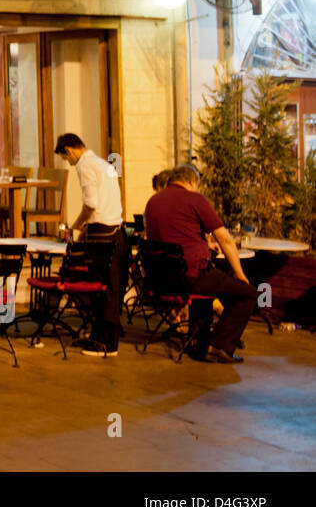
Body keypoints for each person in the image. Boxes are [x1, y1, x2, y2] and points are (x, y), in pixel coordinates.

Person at [143, 164, 254, 364]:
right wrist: (239, 274)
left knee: (208, 288)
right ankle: (218, 346)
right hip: (190, 277)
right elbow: (225, 239)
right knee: (247, 293)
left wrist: (204, 245)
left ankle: (198, 341)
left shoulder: (153, 201)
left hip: (160, 278)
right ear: (192, 181)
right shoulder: (195, 199)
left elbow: (172, 237)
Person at [54, 133, 126, 358]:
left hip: (102, 233)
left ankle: (105, 344)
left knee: (100, 288)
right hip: (117, 231)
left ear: (69, 150)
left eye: (66, 158)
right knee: (112, 289)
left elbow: (91, 204)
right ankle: (100, 337)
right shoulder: (104, 163)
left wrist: (75, 226)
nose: (68, 162)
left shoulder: (84, 165)